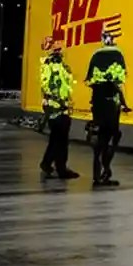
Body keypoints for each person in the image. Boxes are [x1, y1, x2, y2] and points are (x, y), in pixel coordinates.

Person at [86, 31, 129, 187]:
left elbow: (89, 79)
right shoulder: (117, 54)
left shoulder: (95, 56)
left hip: (98, 104)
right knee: (113, 135)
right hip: (111, 105)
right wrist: (123, 103)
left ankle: (98, 175)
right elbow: (119, 81)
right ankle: (106, 171)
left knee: (100, 139)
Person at [39, 45, 80, 180]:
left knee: (56, 139)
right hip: (57, 107)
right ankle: (61, 169)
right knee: (61, 139)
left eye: (60, 49)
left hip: (61, 107)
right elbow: (48, 86)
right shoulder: (51, 66)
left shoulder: (61, 66)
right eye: (56, 50)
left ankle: (47, 163)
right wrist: (60, 102)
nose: (59, 52)